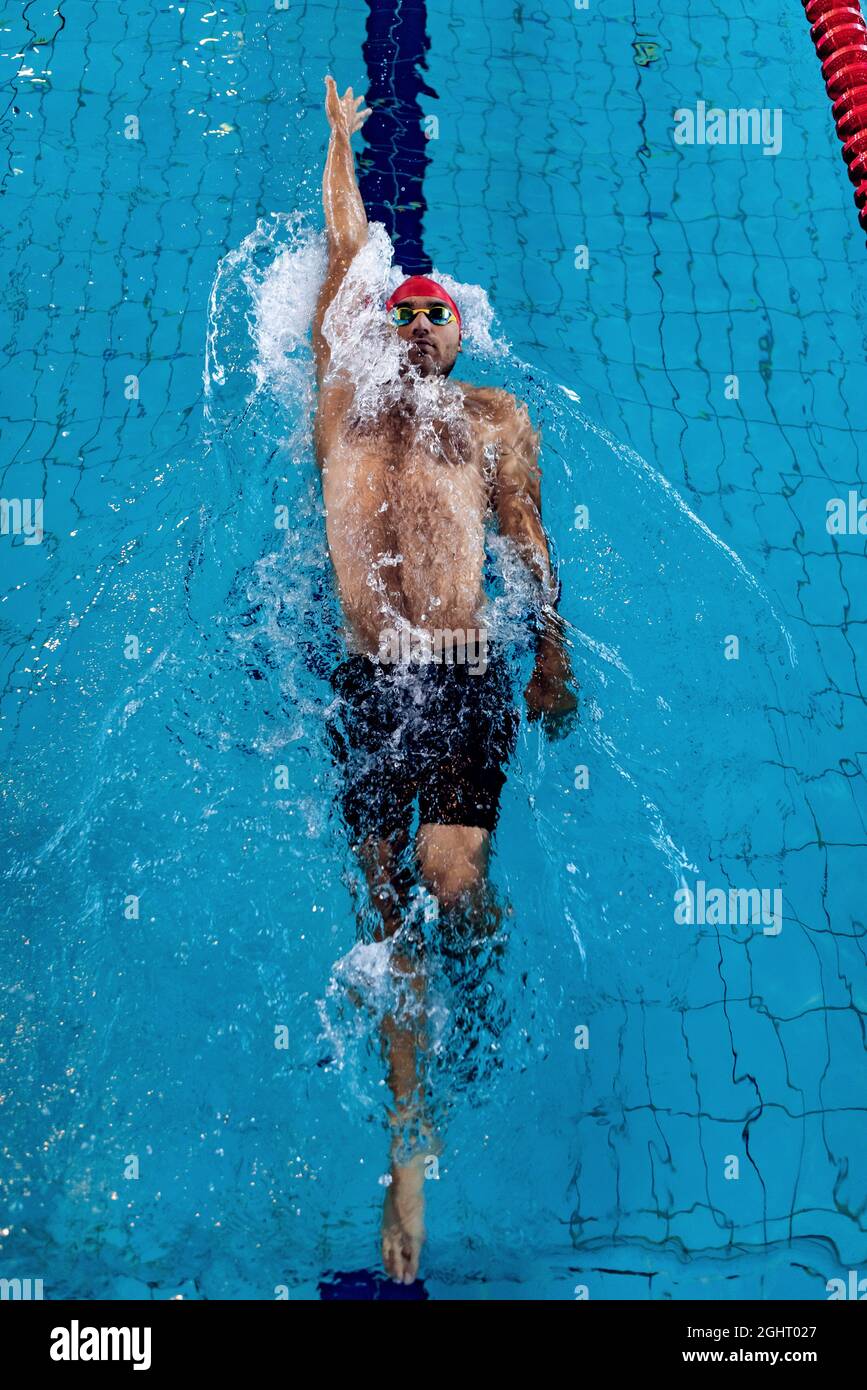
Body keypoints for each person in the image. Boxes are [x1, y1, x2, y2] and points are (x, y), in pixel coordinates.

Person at [312, 76, 577, 1285]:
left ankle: (480, 943)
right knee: (379, 912)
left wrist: (554, 654)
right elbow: (339, 261)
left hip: (468, 674)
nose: (415, 324)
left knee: (446, 875)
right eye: (402, 312)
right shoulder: (343, 413)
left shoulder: (493, 417)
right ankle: (407, 1144)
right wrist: (340, 149)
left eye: (436, 314)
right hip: (370, 681)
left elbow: (527, 543)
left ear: (462, 332)